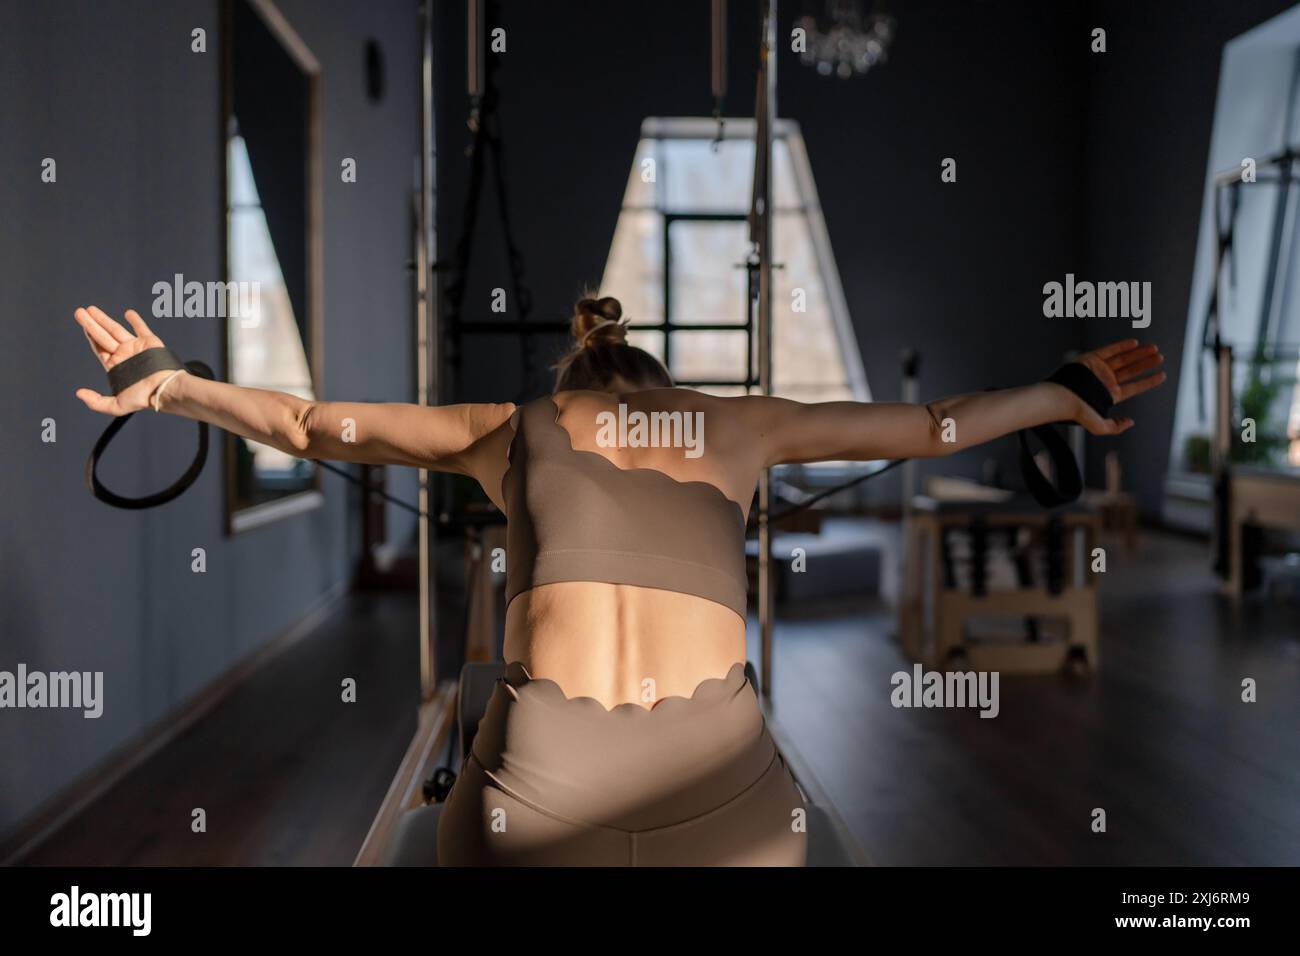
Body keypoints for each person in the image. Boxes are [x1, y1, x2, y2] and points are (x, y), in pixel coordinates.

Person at [73, 297, 1166, 866]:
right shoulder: (744, 420)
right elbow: (936, 426)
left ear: (571, 386)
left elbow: (310, 424)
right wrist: (1061, 390)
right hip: (729, 809)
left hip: (537, 805)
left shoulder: (509, 426)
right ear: (661, 381)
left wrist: (168, 384)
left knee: (471, 728)